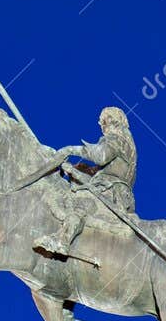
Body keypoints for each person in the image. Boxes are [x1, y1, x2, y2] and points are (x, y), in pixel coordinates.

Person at [36, 106, 138, 257]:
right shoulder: (127, 143)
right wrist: (80, 169)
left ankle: (62, 241)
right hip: (117, 192)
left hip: (111, 191)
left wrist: (71, 150)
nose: (102, 125)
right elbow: (105, 169)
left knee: (79, 206)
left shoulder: (117, 139)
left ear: (112, 120)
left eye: (103, 121)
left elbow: (101, 156)